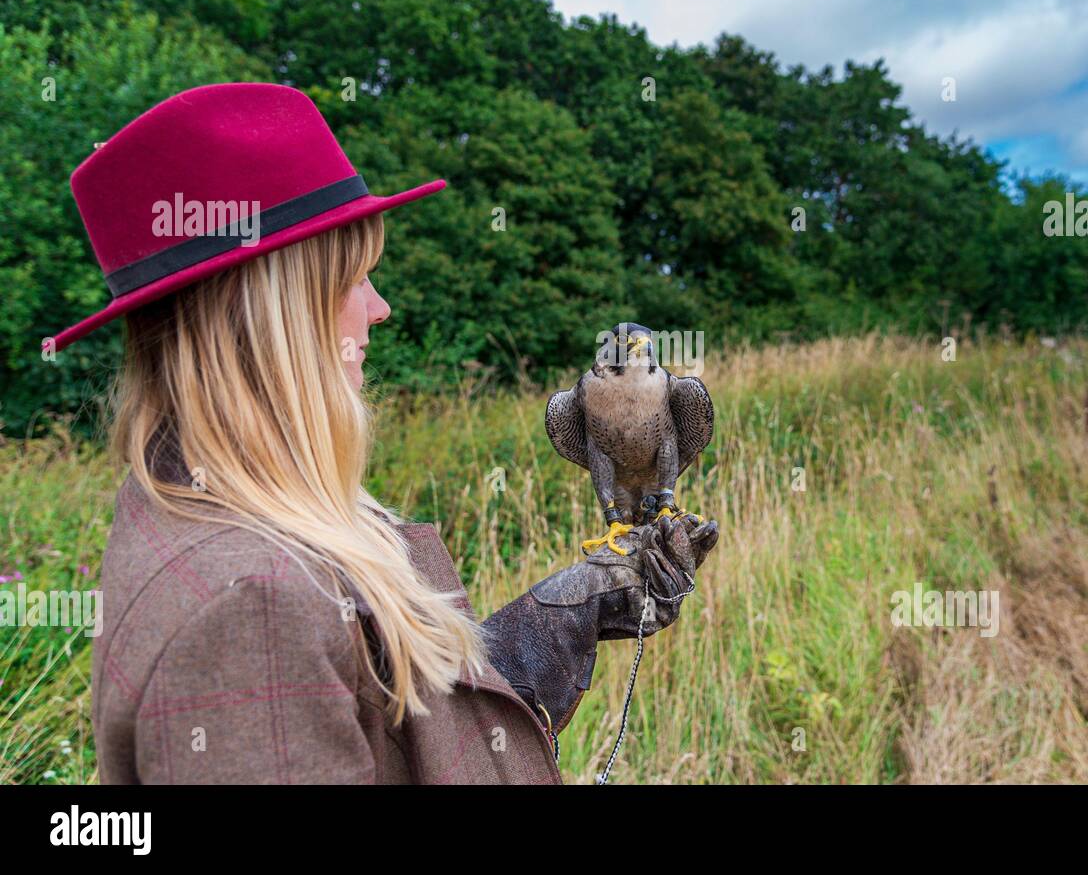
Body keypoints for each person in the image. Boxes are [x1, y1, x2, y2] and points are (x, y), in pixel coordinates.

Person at [54, 83, 718, 783]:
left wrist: (563, 617)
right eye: (357, 277)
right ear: (272, 313)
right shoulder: (249, 608)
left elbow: (394, 733)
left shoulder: (239, 503)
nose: (381, 308)